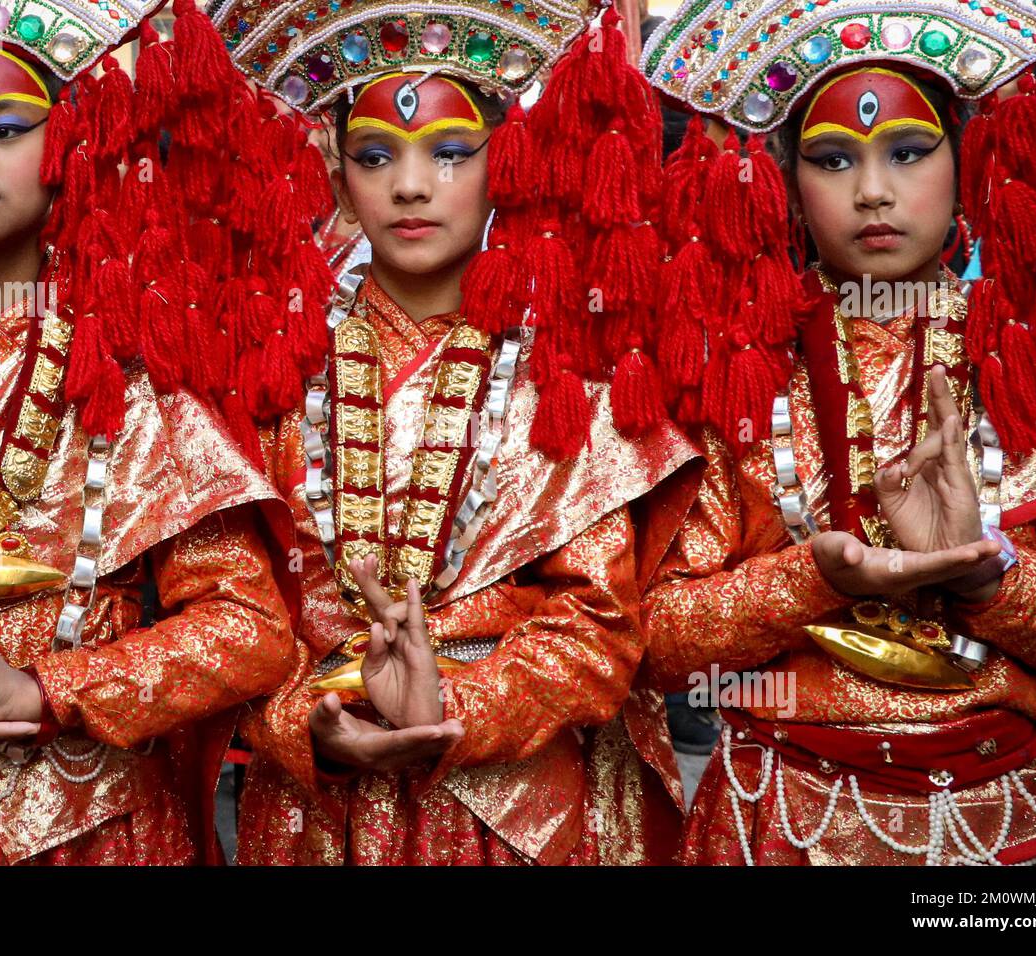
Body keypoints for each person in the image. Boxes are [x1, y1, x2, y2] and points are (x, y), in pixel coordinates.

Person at [204, 0, 702, 863]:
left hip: (513, 820)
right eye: (375, 155)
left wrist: (455, 709)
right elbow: (232, 618)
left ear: (501, 159)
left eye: (448, 152)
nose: (408, 186)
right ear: (336, 170)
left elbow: (600, 627)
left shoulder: (564, 375)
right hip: (317, 815)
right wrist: (307, 724)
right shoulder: (273, 368)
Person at [0, 1, 304, 865]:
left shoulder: (130, 342)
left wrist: (45, 691)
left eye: (7, 129)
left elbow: (248, 627)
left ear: (69, 140)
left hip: (103, 826)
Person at [637, 0, 1036, 864]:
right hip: (776, 813)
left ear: (967, 160)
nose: (873, 191)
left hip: (1022, 817)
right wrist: (809, 578)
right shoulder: (740, 366)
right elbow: (661, 641)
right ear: (783, 176)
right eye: (834, 158)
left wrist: (993, 576)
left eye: (909, 153)